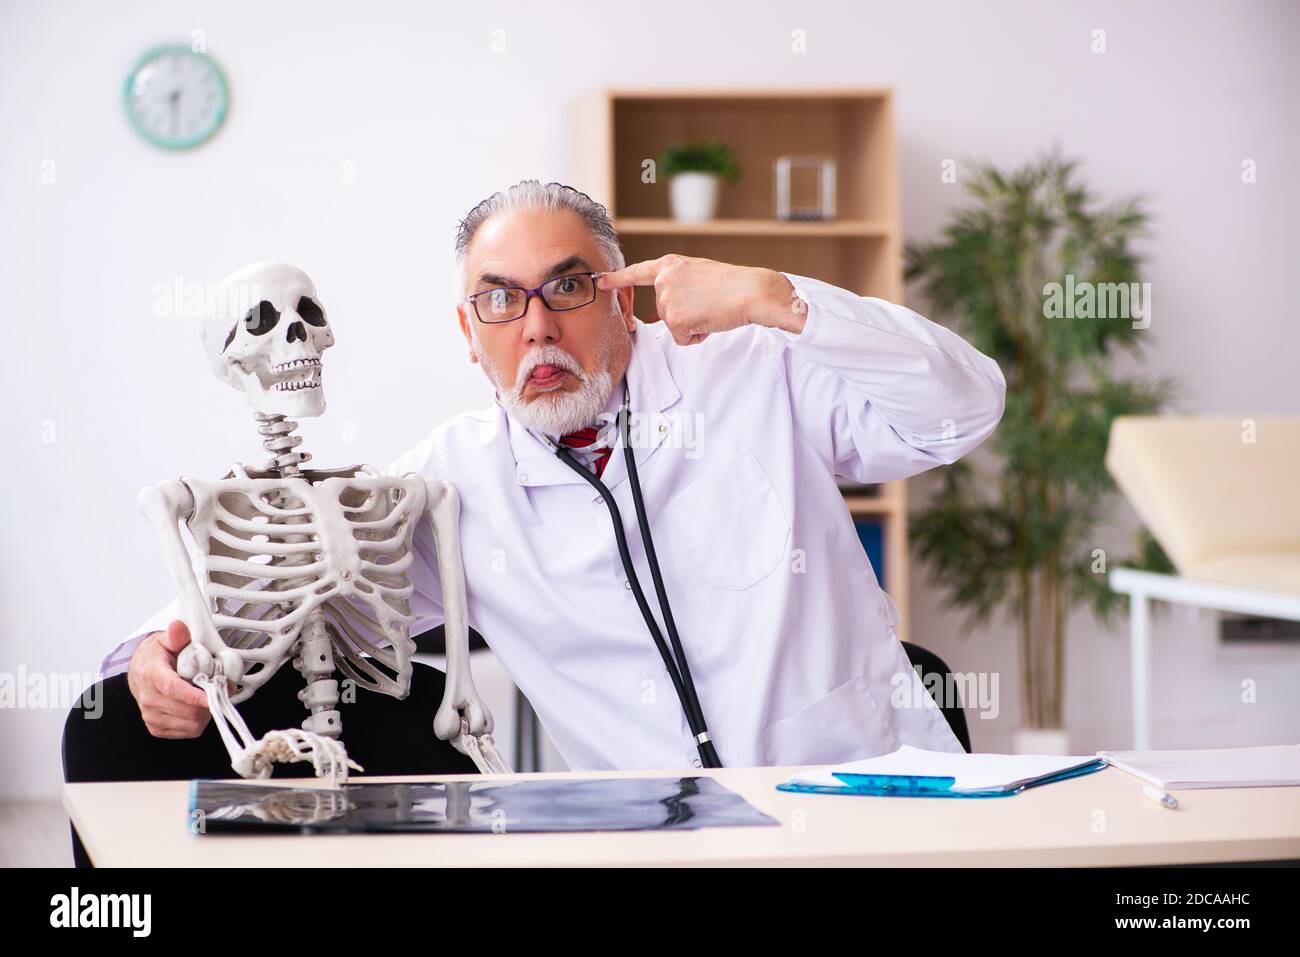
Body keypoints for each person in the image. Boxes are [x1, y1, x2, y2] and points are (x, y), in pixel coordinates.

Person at [103, 179, 1007, 772]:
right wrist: (152, 650)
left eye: (567, 289)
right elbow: (291, 582)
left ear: (622, 296)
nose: (535, 328)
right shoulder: (457, 482)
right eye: (498, 300)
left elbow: (962, 409)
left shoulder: (753, 370)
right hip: (654, 849)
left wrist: (780, 299)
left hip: (868, 811)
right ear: (469, 334)